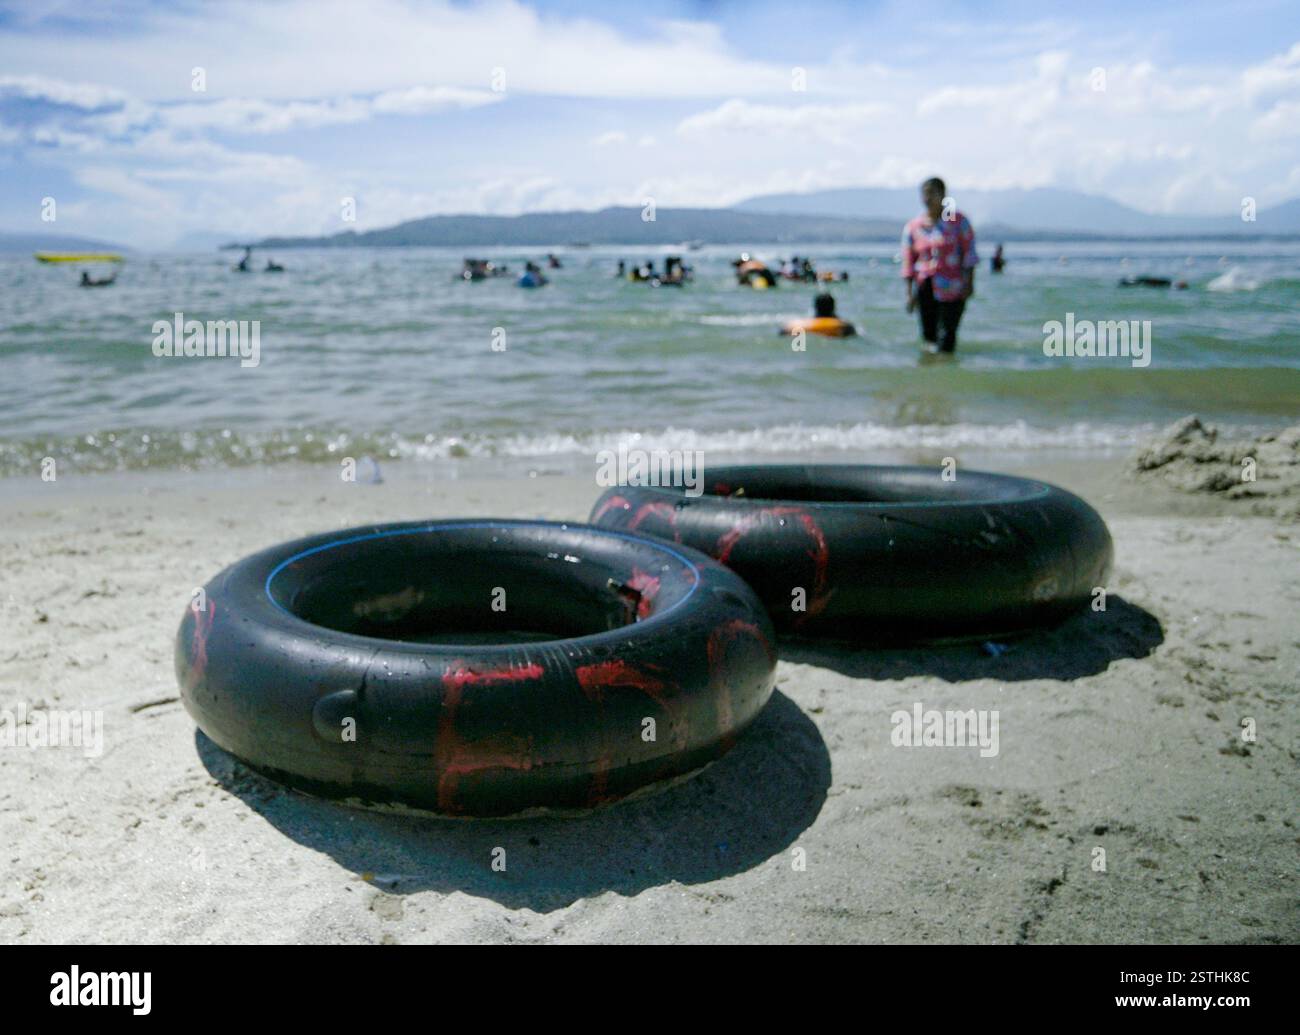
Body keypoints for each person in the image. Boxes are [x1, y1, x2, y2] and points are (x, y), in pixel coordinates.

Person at [901, 177, 977, 353]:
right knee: (928, 336)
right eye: (925, 195)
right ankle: (930, 374)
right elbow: (908, 262)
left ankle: (948, 372)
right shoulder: (914, 227)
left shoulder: (958, 221)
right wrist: (909, 294)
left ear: (943, 195)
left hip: (954, 287)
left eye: (932, 194)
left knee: (948, 336)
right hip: (924, 286)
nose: (928, 199)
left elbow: (969, 255)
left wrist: (970, 283)